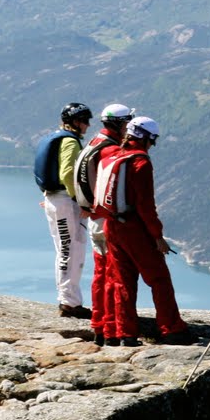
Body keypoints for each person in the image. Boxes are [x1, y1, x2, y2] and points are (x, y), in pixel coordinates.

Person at [93, 116, 194, 347]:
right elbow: (146, 206)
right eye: (152, 140)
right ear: (148, 138)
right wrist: (157, 237)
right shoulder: (140, 162)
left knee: (122, 281)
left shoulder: (112, 154)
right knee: (159, 279)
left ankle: (124, 334)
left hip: (112, 225)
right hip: (135, 229)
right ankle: (172, 329)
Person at [71, 103, 133, 345]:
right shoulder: (111, 150)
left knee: (100, 274)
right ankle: (112, 330)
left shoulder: (94, 143)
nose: (130, 127)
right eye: (128, 122)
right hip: (106, 220)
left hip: (93, 216)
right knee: (113, 275)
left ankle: (99, 325)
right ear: (120, 123)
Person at [32, 102, 93, 317]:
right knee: (71, 250)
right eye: (85, 120)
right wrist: (81, 200)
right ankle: (69, 304)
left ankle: (68, 300)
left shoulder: (55, 137)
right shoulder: (70, 142)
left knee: (65, 249)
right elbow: (68, 173)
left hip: (55, 199)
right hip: (66, 202)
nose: (87, 125)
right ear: (75, 122)